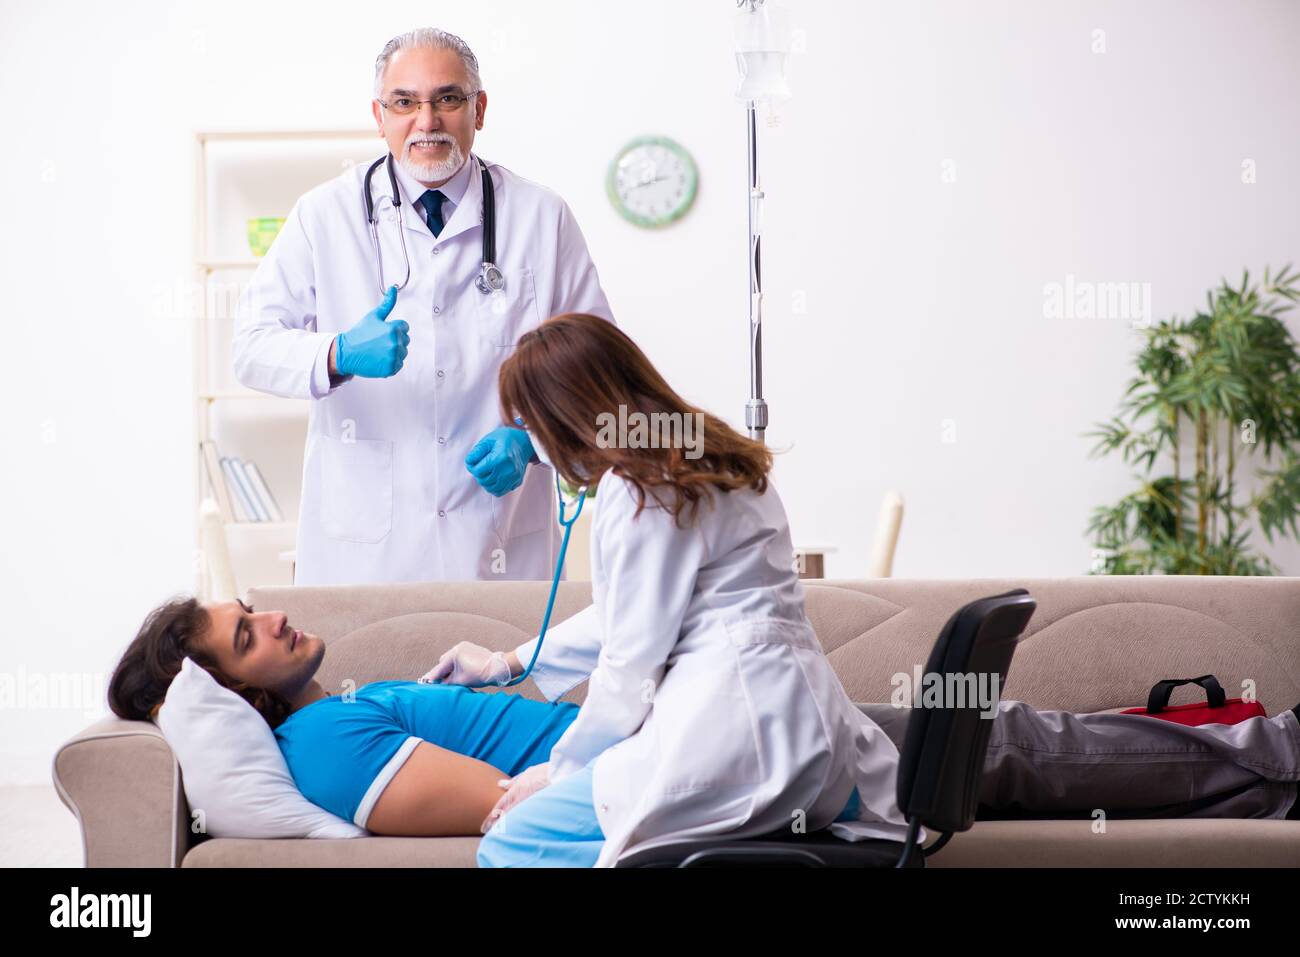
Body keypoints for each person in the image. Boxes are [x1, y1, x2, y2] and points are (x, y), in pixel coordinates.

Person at [421, 313, 1300, 868]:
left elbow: (629, 661)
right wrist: (512, 658)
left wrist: (556, 770)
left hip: (731, 733)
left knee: (513, 845)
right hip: (793, 724)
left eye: (533, 426)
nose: (535, 447)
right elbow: (629, 618)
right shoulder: (702, 458)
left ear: (568, 412)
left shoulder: (640, 491)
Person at [107, 592, 1300, 850]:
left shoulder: (348, 706)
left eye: (251, 609)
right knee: (1013, 749)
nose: (272, 617)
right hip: (702, 750)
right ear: (240, 695)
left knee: (1015, 743)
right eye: (247, 635)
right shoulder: (320, 748)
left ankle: (1265, 759)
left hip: (704, 720)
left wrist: (512, 669)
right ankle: (1279, 759)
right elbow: (510, 808)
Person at [232, 27, 613, 586]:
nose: (426, 121)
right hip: (361, 561)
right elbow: (250, 347)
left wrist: (533, 441)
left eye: (447, 99)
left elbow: (599, 369)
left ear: (479, 109)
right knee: (363, 648)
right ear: (379, 116)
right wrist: (338, 353)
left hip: (497, 548)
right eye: (404, 102)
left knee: (499, 648)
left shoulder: (541, 217)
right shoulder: (324, 215)